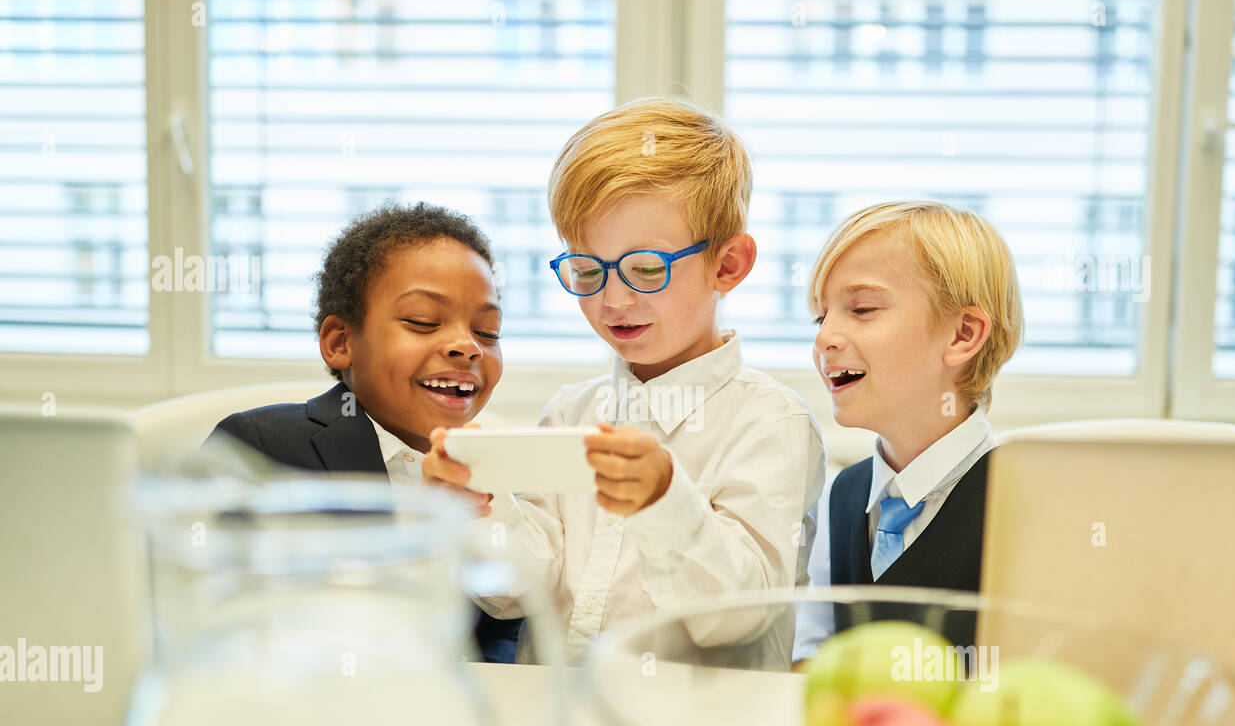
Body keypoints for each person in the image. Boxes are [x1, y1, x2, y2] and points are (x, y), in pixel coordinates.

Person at [425, 97, 826, 668]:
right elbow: (518, 593)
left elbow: (735, 618)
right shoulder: (571, 412)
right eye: (587, 270)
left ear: (728, 264)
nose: (613, 299)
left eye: (646, 269)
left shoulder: (770, 423)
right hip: (559, 724)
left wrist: (666, 499)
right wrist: (478, 509)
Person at [204, 202, 521, 663]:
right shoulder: (259, 448)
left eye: (487, 331)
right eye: (423, 322)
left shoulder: (495, 473)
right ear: (341, 342)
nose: (466, 346)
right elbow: (226, 623)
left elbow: (504, 630)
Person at [795, 200, 1024, 658]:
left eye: (861, 309)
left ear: (962, 335)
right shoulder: (843, 495)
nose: (824, 338)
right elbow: (813, 651)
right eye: (822, 317)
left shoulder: (1021, 500)